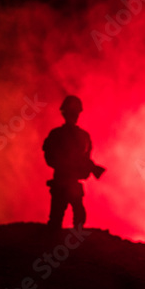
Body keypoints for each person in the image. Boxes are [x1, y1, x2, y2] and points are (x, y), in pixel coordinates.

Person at [42, 95, 103, 230]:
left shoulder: (80, 136)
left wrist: (87, 167)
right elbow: (50, 157)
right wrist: (68, 165)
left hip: (70, 182)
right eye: (72, 112)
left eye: (75, 113)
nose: (74, 115)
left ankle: (70, 245)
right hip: (62, 182)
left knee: (77, 217)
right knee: (58, 219)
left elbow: (85, 158)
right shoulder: (61, 135)